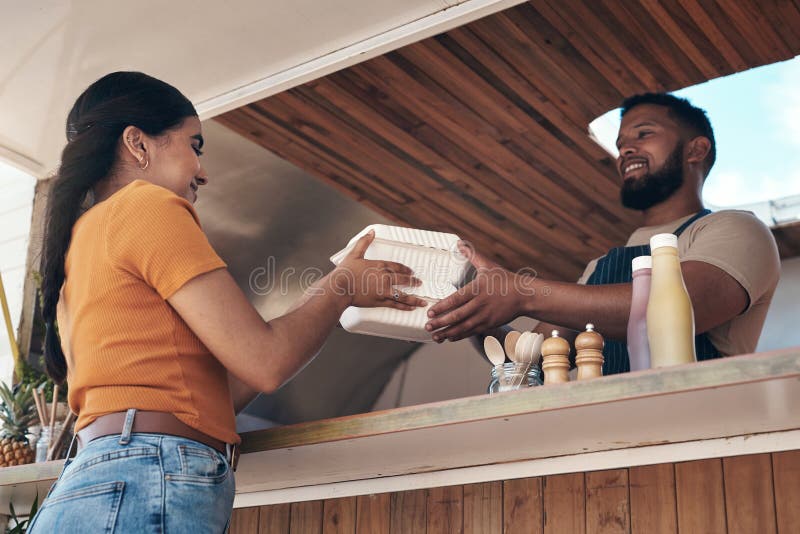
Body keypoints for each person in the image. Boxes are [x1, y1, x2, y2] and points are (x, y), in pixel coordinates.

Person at [28, 71, 425, 533]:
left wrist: (329, 309)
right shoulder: (147, 206)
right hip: (146, 475)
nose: (203, 170)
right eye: (194, 145)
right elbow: (266, 361)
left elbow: (227, 388)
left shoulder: (85, 241)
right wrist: (338, 289)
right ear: (138, 143)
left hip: (101, 479)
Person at [425, 93, 781, 374]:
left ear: (696, 149)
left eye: (644, 134)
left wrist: (523, 293)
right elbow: (523, 361)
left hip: (694, 434)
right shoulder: (599, 269)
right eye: (621, 141)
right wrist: (470, 301)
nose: (625, 149)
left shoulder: (737, 229)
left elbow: (685, 309)